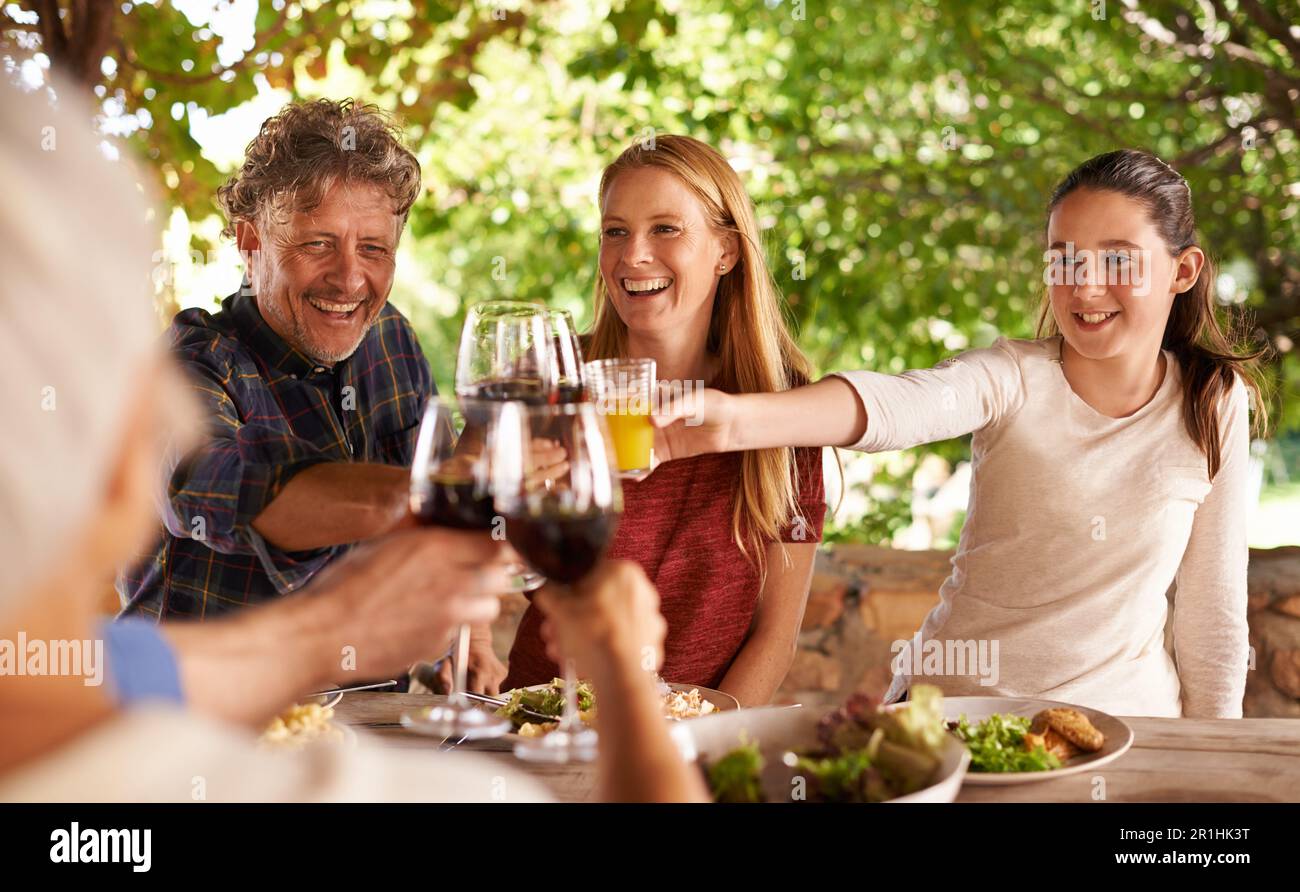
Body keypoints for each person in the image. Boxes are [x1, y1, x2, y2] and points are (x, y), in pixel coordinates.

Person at [0, 76, 706, 803]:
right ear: (250, 243)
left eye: (375, 247)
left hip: (380, 714)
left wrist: (451, 651)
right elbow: (240, 493)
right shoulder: (193, 361)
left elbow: (413, 529)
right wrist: (453, 481)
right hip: (209, 729)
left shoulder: (391, 339)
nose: (350, 276)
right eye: (317, 244)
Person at [653, 149, 1267, 718]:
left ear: (1182, 270)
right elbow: (897, 405)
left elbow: (1213, 617)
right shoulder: (1011, 379)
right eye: (1065, 258)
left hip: (1127, 731)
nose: (1084, 286)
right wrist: (733, 420)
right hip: (957, 720)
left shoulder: (1212, 402)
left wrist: (1214, 757)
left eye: (1117, 259)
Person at [503, 136, 827, 706]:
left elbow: (775, 638)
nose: (633, 256)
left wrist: (702, 750)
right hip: (545, 729)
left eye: (666, 229)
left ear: (726, 250)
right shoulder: (550, 379)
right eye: (616, 231)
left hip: (699, 738)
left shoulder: (782, 407)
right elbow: (469, 549)